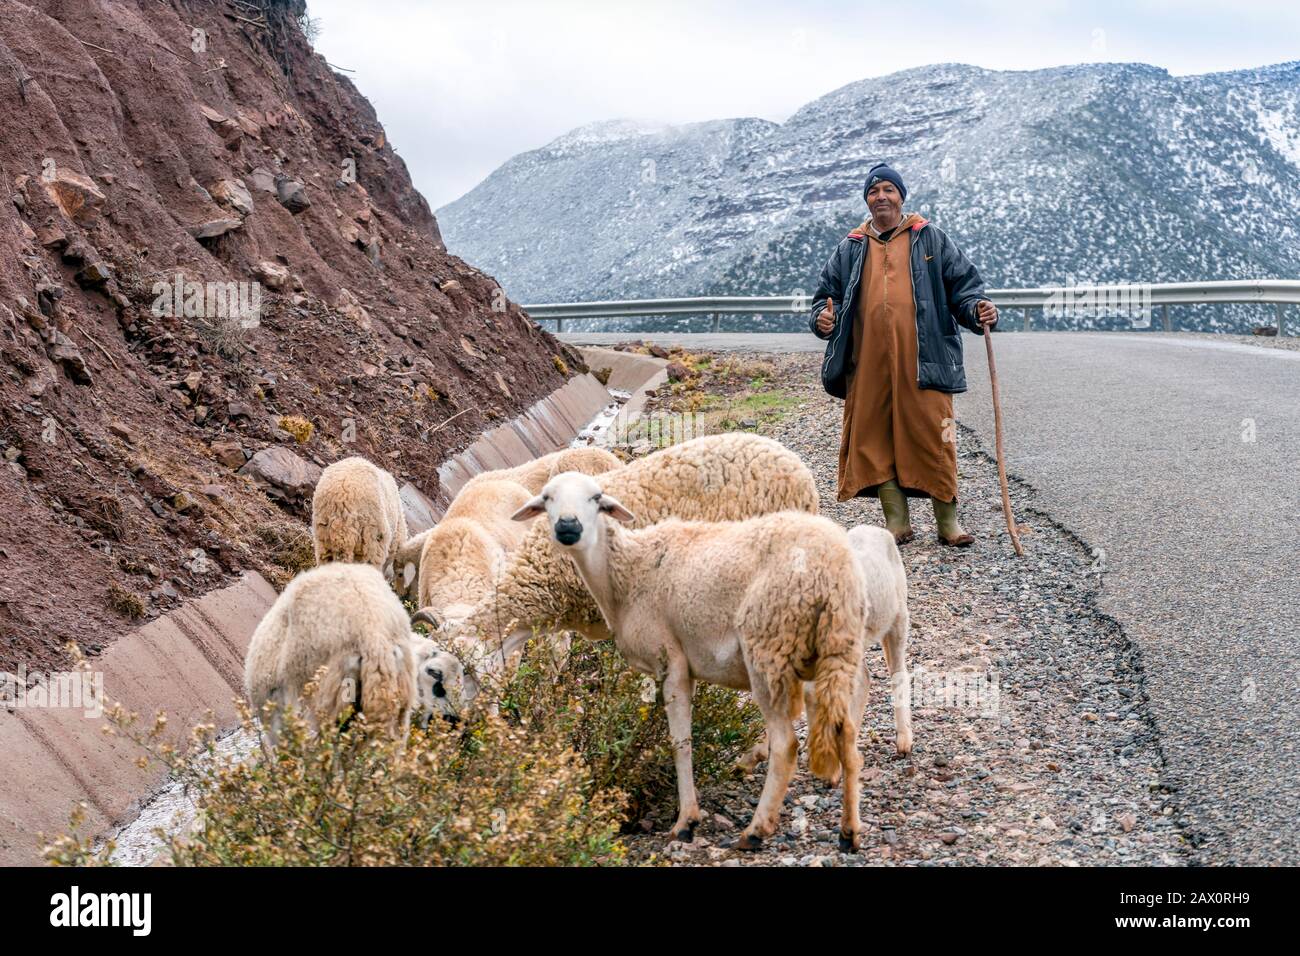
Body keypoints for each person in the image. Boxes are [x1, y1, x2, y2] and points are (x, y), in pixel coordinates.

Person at [810, 162, 998, 546]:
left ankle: (949, 524)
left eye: (888, 190)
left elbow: (964, 287)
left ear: (901, 197)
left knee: (935, 437)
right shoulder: (850, 247)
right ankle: (897, 524)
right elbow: (822, 300)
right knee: (876, 441)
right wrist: (822, 320)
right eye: (874, 191)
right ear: (867, 199)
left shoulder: (929, 238)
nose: (881, 197)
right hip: (866, 365)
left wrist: (978, 308)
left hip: (925, 361)